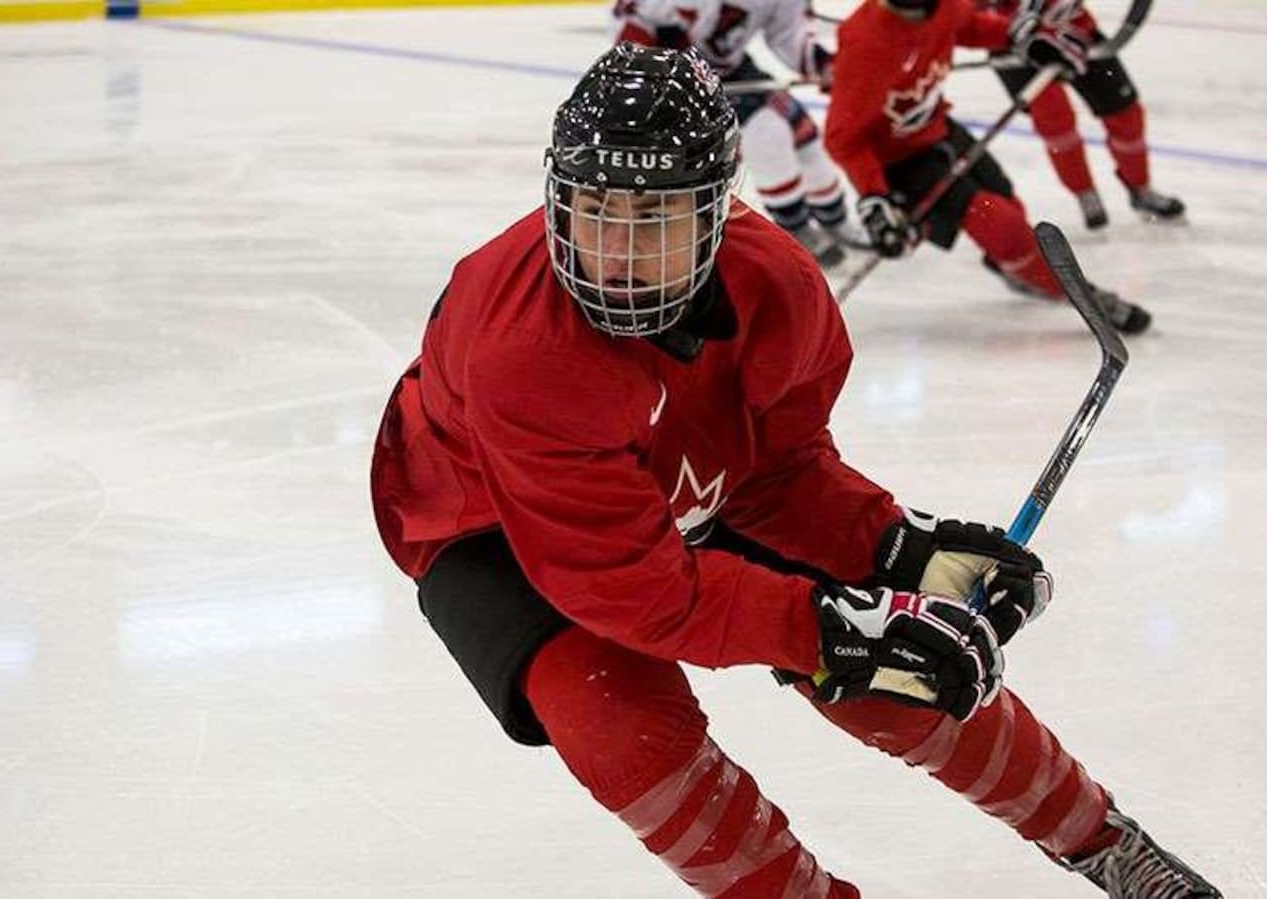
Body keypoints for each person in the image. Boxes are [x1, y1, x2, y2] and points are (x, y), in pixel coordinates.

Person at [371, 43, 1220, 898]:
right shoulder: (523, 351)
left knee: (905, 672)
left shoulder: (779, 287)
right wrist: (831, 625)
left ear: (716, 210)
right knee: (620, 730)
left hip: (667, 473)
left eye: (655, 216)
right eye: (594, 210)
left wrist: (897, 549)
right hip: (481, 512)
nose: (617, 254)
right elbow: (636, 590)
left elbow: (777, 474)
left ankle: (1104, 842)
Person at [822, 0, 1152, 333]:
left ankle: (1015, 268)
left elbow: (969, 26)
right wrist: (875, 196)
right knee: (1003, 225)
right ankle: (1084, 294)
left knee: (1009, 207)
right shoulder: (866, 40)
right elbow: (843, 138)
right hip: (901, 162)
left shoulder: (942, 6)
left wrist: (1018, 37)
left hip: (939, 130)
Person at [613, 0, 867, 266]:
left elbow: (787, 34)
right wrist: (652, 64)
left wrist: (822, 64)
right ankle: (795, 226)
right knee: (766, 137)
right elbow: (634, 18)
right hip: (677, 76)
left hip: (732, 70)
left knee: (804, 136)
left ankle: (834, 217)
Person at [980, 0, 1185, 229]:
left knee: (1125, 115)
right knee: (1055, 122)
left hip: (1075, 33)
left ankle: (1140, 187)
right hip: (1014, 46)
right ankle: (1084, 193)